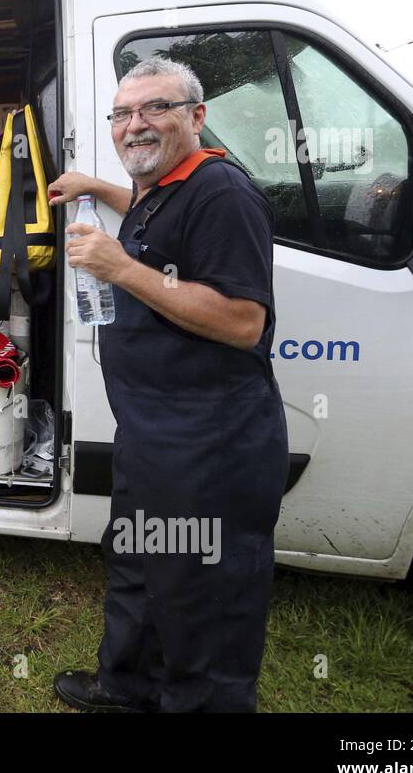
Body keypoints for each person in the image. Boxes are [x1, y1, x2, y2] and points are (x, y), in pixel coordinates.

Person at [49, 56, 289, 712]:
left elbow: (244, 321)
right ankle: (124, 687)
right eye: (123, 113)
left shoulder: (225, 194)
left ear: (197, 117)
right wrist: (93, 184)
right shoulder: (168, 186)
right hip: (153, 432)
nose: (136, 125)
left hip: (209, 441)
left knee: (200, 597)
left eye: (156, 108)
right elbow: (155, 214)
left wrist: (121, 267)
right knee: (139, 565)